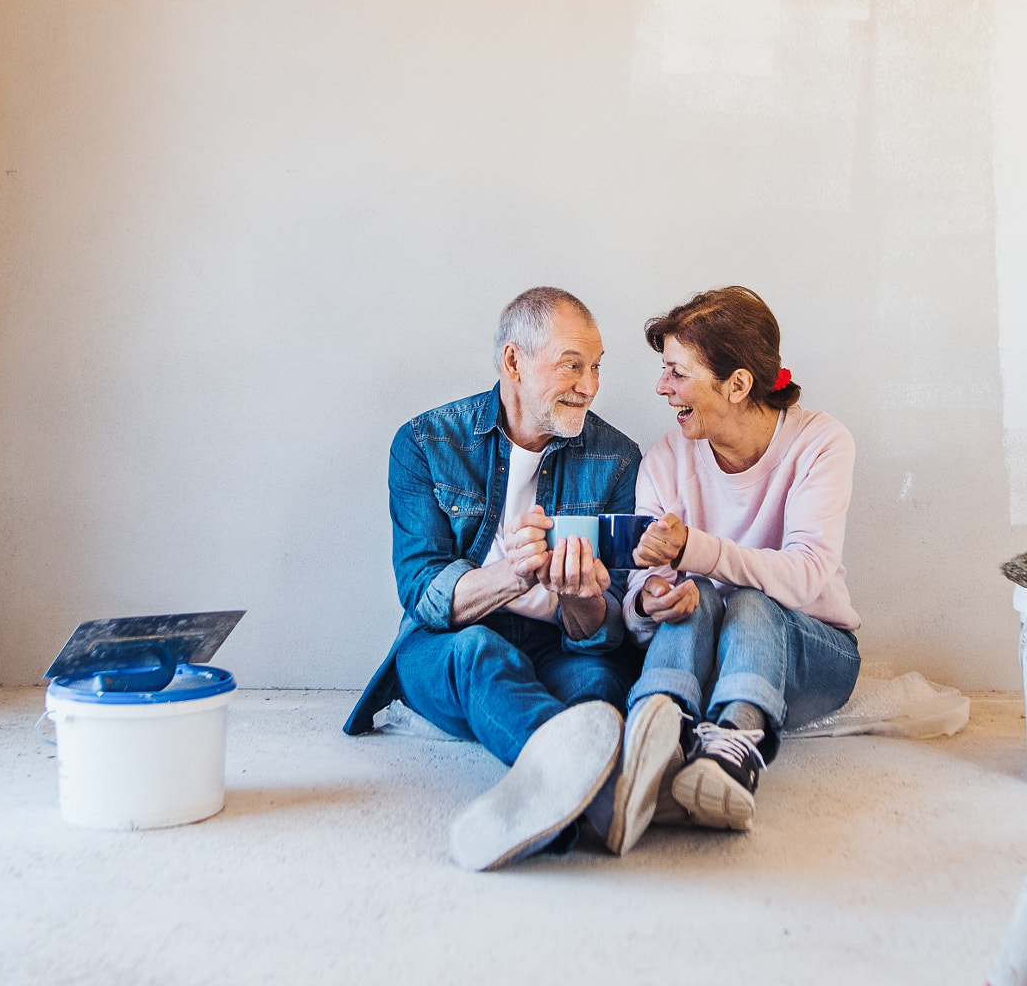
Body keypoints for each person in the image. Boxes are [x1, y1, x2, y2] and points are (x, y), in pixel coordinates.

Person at [345, 287, 644, 870]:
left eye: (596, 367)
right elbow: (423, 592)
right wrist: (512, 575)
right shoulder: (425, 444)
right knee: (481, 652)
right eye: (571, 364)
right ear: (513, 363)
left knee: (598, 683)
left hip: (558, 646)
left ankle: (551, 802)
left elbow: (604, 626)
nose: (590, 384)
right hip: (448, 648)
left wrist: (582, 598)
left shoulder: (616, 457)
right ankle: (603, 794)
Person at [610, 285, 861, 852]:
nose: (661, 386)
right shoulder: (665, 457)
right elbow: (641, 584)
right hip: (703, 655)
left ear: (739, 383)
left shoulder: (820, 442)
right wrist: (650, 598)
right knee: (695, 591)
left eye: (677, 371)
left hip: (815, 651)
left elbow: (805, 574)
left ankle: (734, 742)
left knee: (749, 597)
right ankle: (661, 725)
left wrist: (693, 550)